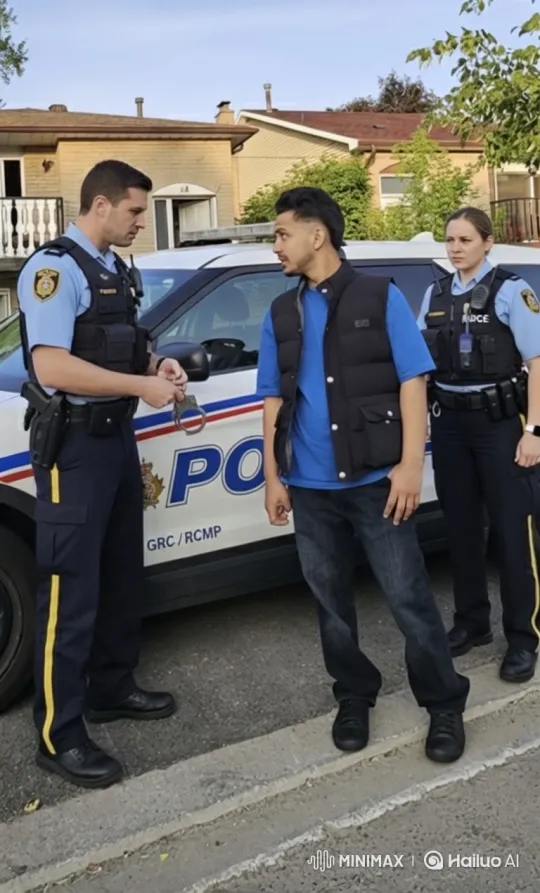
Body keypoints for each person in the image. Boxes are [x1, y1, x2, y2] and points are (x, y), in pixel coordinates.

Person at [257, 186, 470, 764]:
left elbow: (412, 382)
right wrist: (275, 479)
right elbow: (273, 401)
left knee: (408, 597)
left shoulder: (380, 296)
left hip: (377, 482)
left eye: (281, 234)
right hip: (309, 487)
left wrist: (408, 466)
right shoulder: (281, 312)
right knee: (329, 602)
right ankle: (354, 694)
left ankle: (444, 703)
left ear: (316, 234)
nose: (275, 246)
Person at [17, 159, 188, 789]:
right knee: (69, 591)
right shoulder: (55, 269)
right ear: (100, 206)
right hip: (75, 450)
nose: (143, 222)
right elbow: (55, 368)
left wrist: (159, 366)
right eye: (137, 211)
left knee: (121, 573)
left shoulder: (115, 267)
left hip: (116, 440)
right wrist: (139, 384)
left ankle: (113, 687)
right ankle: (59, 736)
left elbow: (124, 342)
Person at [417, 206, 540, 683]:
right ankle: (472, 623)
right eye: (450, 240)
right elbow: (420, 362)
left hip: (501, 425)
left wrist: (534, 433)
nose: (455, 248)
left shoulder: (513, 291)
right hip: (450, 423)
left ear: (487, 243)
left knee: (513, 534)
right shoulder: (435, 292)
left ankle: (523, 638)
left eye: (465, 240)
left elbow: (537, 364)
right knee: (462, 528)